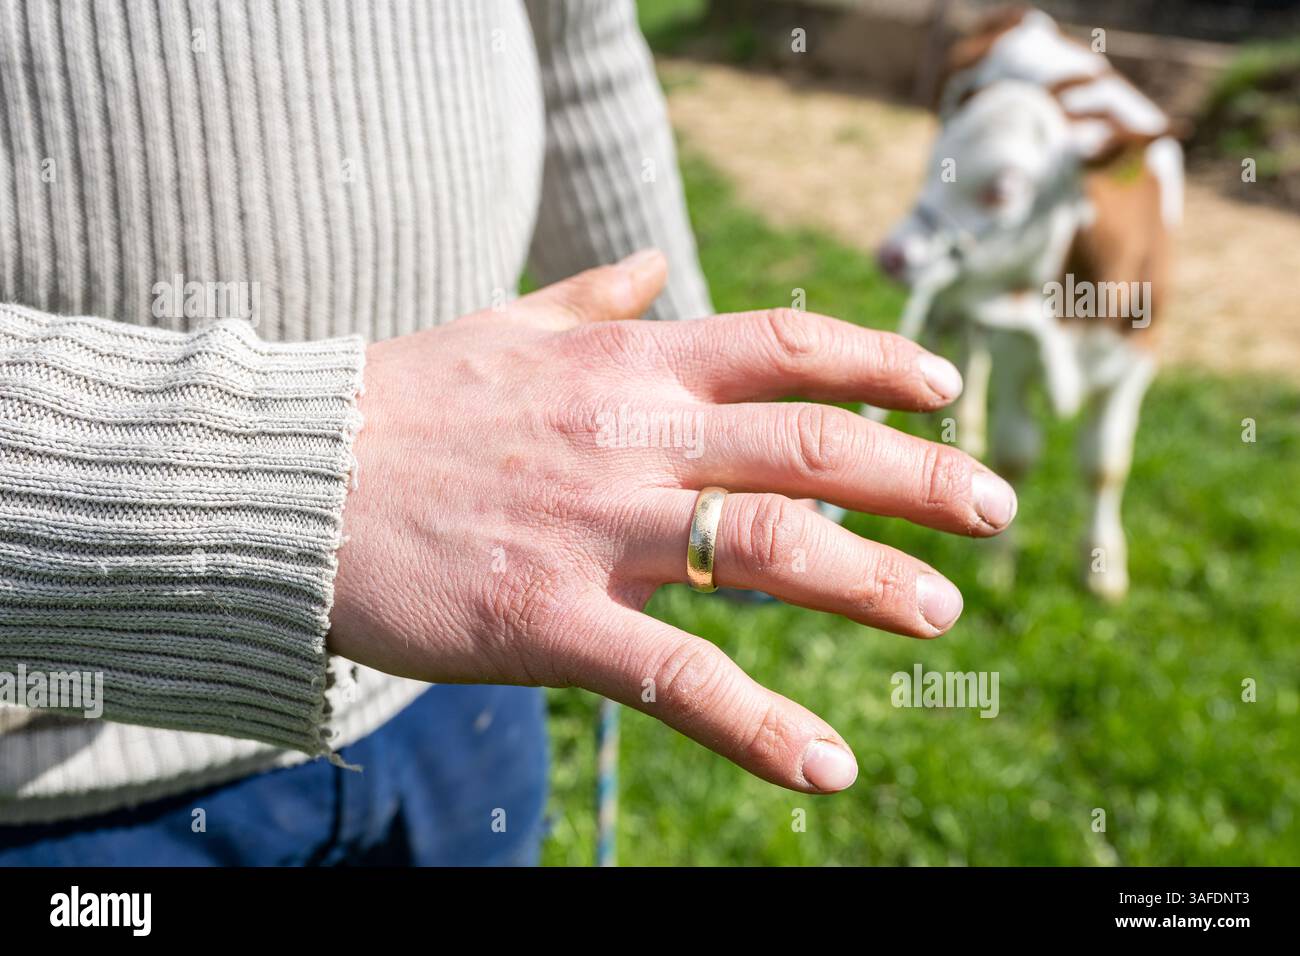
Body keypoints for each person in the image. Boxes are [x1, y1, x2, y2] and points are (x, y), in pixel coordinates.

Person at [0, 0, 1015, 865]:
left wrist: (688, 423)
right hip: (64, 773)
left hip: (478, 659)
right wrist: (291, 473)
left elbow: (575, 51)